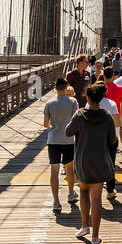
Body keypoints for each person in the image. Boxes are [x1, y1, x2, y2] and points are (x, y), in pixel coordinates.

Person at [65, 82, 118, 244]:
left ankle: (84, 226)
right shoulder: (107, 116)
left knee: (83, 192)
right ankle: (95, 235)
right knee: (97, 198)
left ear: (88, 97)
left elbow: (68, 132)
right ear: (101, 98)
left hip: (83, 161)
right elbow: (113, 140)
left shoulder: (80, 115)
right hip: (100, 161)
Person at [42, 77, 78, 212]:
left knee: (54, 170)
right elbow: (76, 120)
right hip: (68, 139)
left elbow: (46, 124)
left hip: (53, 140)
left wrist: (54, 125)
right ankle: (70, 193)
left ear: (55, 88)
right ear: (67, 87)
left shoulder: (49, 104)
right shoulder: (73, 102)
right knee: (69, 167)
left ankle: (56, 201)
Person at [99, 68, 122, 205]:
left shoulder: (89, 104)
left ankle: (97, 184)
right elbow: (117, 122)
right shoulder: (112, 104)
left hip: (96, 138)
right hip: (111, 137)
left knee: (97, 160)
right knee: (111, 163)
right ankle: (110, 189)